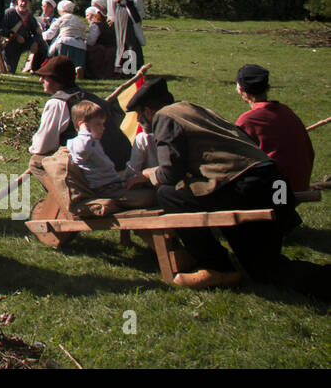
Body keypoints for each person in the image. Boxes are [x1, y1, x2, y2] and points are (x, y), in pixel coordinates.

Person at [127, 77, 331, 295]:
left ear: (149, 110)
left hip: (246, 186)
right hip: (272, 180)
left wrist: (149, 174)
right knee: (266, 270)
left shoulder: (164, 117)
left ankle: (215, 266)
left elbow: (169, 173)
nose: (139, 120)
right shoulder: (195, 109)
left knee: (169, 195)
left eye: (139, 114)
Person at [28, 55, 131, 171]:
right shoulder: (93, 98)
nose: (40, 80)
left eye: (44, 77)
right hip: (123, 162)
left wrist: (34, 147)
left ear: (57, 80)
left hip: (95, 168)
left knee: (36, 161)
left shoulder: (58, 103)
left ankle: (67, 189)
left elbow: (43, 145)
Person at [235, 64, 315, 192]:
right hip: (299, 184)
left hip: (278, 192)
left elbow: (236, 160)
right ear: (268, 87)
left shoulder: (248, 120)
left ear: (242, 91)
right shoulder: (285, 111)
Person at [106, 0, 146, 74]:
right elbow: (138, 4)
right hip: (130, 15)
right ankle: (131, 68)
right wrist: (140, 17)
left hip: (119, 14)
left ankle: (121, 66)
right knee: (132, 40)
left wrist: (112, 18)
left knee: (121, 40)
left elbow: (111, 5)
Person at [0, 0, 44, 74]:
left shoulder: (30, 17)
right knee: (9, 71)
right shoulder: (9, 13)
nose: (23, 3)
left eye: (26, 2)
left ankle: (35, 69)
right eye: (21, 1)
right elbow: (1, 29)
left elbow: (37, 32)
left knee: (42, 44)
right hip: (10, 44)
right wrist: (15, 36)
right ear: (17, 1)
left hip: (23, 43)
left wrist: (35, 42)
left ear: (29, 4)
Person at [44, 0, 87, 74]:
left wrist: (41, 34)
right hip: (80, 45)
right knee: (75, 62)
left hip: (65, 42)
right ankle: (77, 69)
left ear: (60, 10)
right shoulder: (80, 21)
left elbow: (50, 34)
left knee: (62, 63)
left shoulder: (61, 19)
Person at [84, 1, 117, 79]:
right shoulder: (106, 23)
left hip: (104, 50)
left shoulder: (95, 25)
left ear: (93, 15)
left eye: (87, 15)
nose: (86, 18)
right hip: (112, 48)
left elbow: (91, 42)